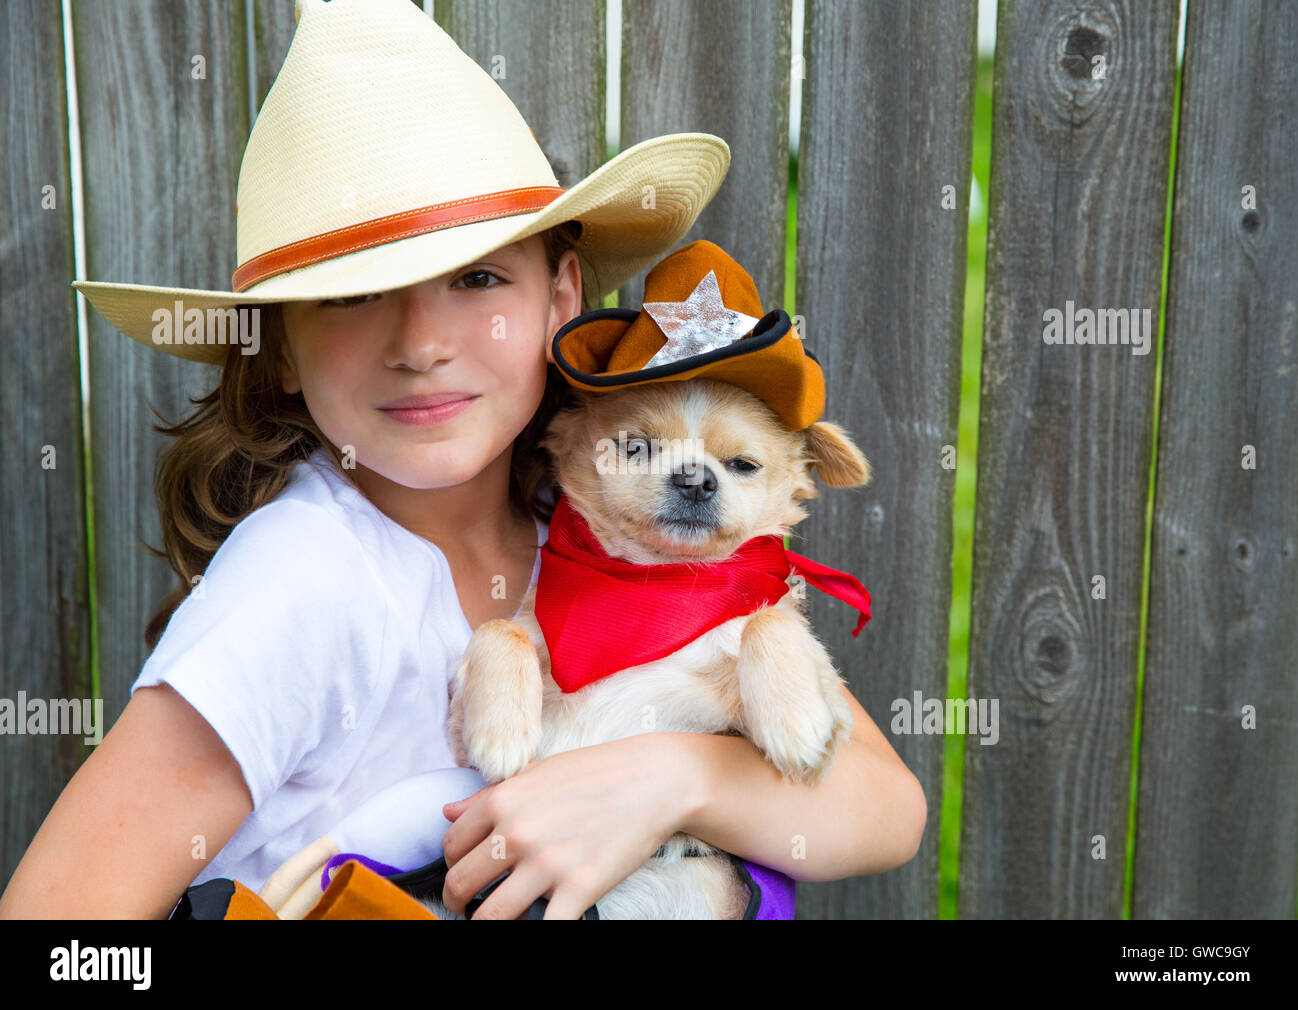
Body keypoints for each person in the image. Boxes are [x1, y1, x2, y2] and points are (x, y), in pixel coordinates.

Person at [0, 0, 925, 920]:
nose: (421, 342)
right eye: (355, 295)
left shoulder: (596, 520)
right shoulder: (302, 581)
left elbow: (886, 810)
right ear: (279, 348)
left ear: (560, 297)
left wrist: (665, 780)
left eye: (476, 278)